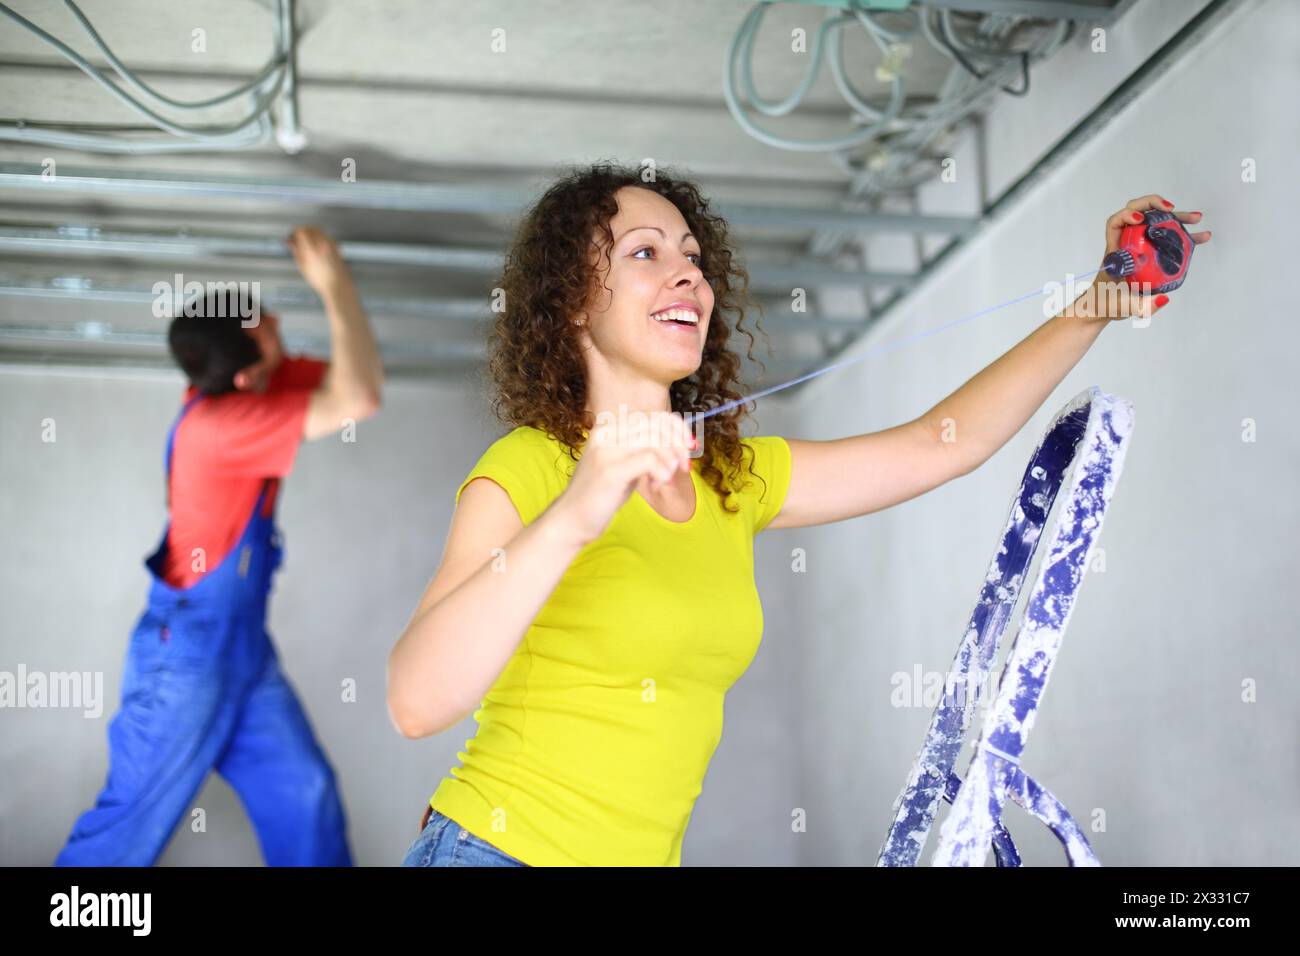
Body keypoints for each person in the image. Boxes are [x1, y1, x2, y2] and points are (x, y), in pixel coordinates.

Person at [387, 162, 1210, 867]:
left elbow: (939, 446)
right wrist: (578, 511)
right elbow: (416, 702)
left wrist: (1102, 299)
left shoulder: (731, 481)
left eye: (693, 258)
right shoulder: (532, 468)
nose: (689, 278)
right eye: (645, 254)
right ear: (572, 303)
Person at [56, 226, 385, 866]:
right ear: (246, 371)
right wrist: (333, 283)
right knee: (128, 831)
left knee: (305, 795)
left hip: (244, 648)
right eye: (264, 325)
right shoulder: (219, 429)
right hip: (188, 657)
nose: (276, 321)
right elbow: (359, 395)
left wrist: (335, 298)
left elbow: (360, 379)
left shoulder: (261, 382)